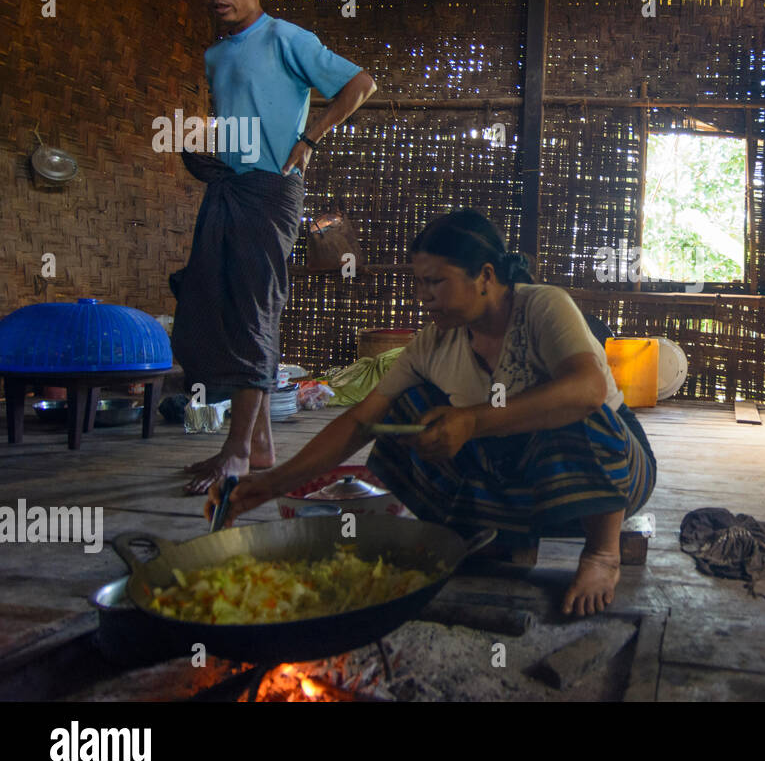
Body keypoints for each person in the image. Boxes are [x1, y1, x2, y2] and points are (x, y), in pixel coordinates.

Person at [206, 210, 656, 617]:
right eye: (419, 282)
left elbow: (589, 389)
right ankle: (482, 534)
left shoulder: (542, 306)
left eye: (435, 282)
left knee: (574, 407)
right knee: (405, 414)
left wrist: (474, 420)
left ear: (484, 275)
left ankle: (602, 554)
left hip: (606, 481)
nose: (423, 296)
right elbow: (360, 420)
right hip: (523, 490)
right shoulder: (433, 343)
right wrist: (270, 485)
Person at [173, 0, 376, 495]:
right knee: (221, 304)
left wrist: (309, 139)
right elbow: (247, 118)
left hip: (271, 192)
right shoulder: (216, 53)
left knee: (255, 306)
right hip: (231, 187)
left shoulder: (286, 37)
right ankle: (257, 444)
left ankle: (236, 451)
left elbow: (360, 83)